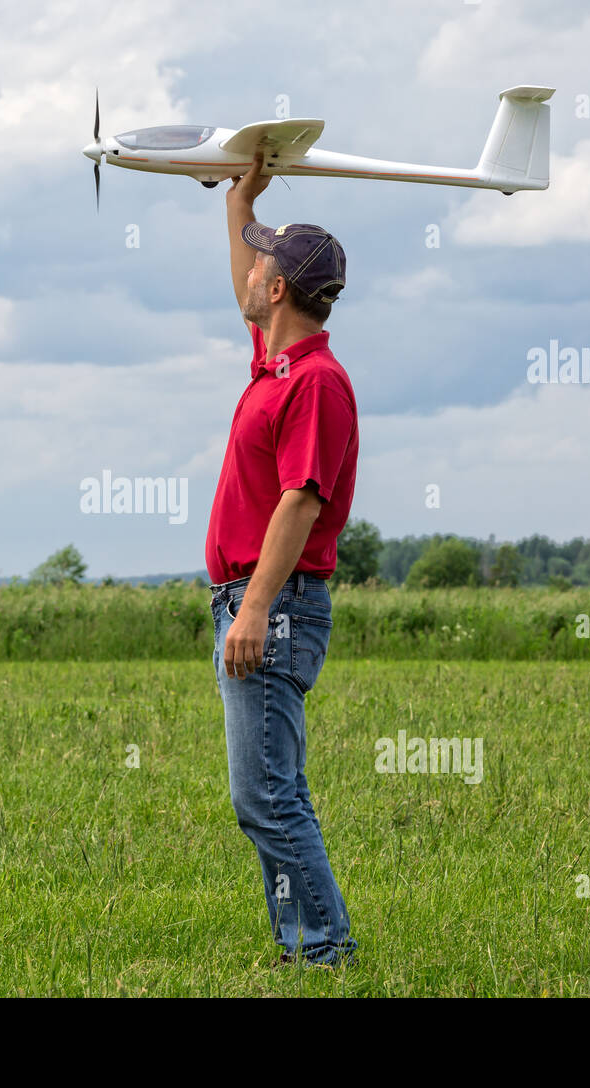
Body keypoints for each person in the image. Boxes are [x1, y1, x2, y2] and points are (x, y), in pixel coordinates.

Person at [205, 149, 360, 966]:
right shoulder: (278, 359)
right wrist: (241, 204)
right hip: (255, 598)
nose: (254, 266)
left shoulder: (316, 384)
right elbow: (244, 297)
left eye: (263, 257)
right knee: (269, 792)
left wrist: (256, 607)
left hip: (276, 602)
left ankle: (322, 950)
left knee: (264, 796)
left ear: (280, 290)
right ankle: (309, 945)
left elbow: (301, 501)